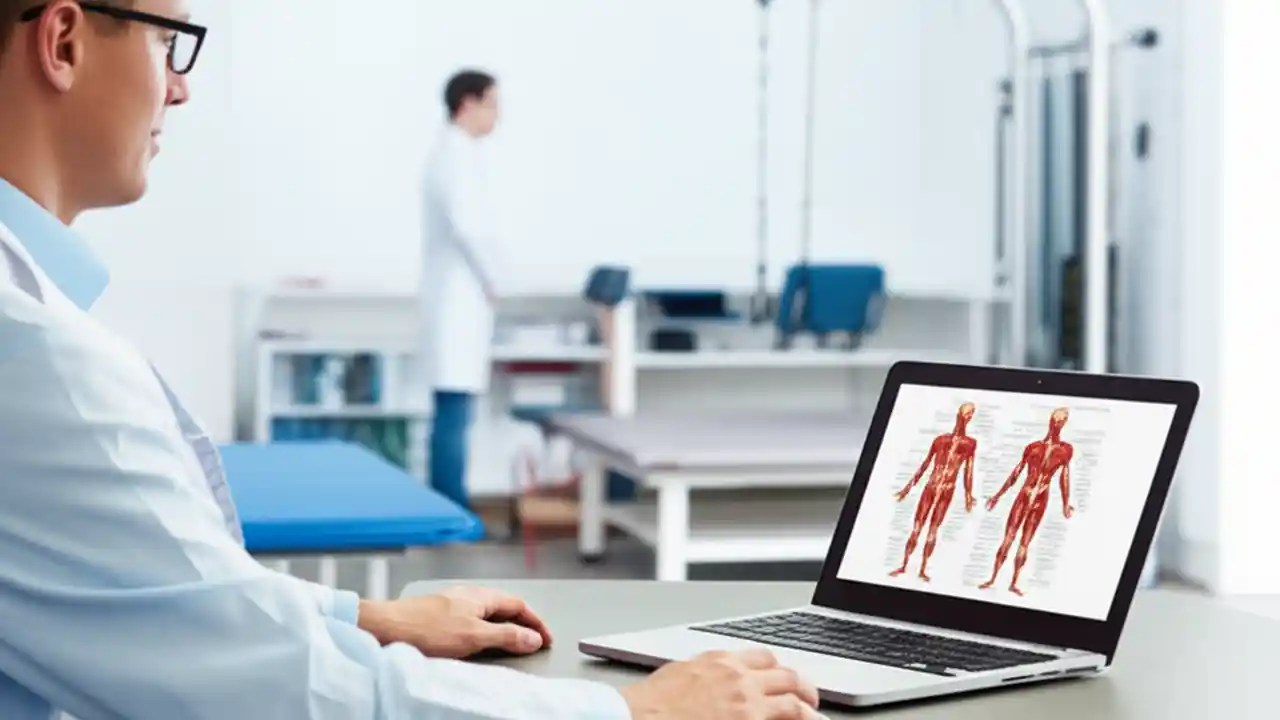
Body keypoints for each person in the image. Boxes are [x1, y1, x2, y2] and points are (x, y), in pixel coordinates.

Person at [0, 1, 823, 718]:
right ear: (65, 41)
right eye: (167, 43)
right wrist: (634, 711)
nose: (179, 86)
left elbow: (171, 598)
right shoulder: (35, 351)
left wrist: (364, 618)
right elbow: (275, 689)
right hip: (459, 325)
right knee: (455, 429)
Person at [420, 69, 504, 512]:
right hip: (458, 304)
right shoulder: (453, 156)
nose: (498, 115)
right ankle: (451, 509)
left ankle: (451, 505)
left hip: (460, 303)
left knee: (454, 414)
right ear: (467, 104)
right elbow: (470, 229)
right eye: (492, 103)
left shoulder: (459, 154)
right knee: (453, 415)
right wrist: (496, 280)